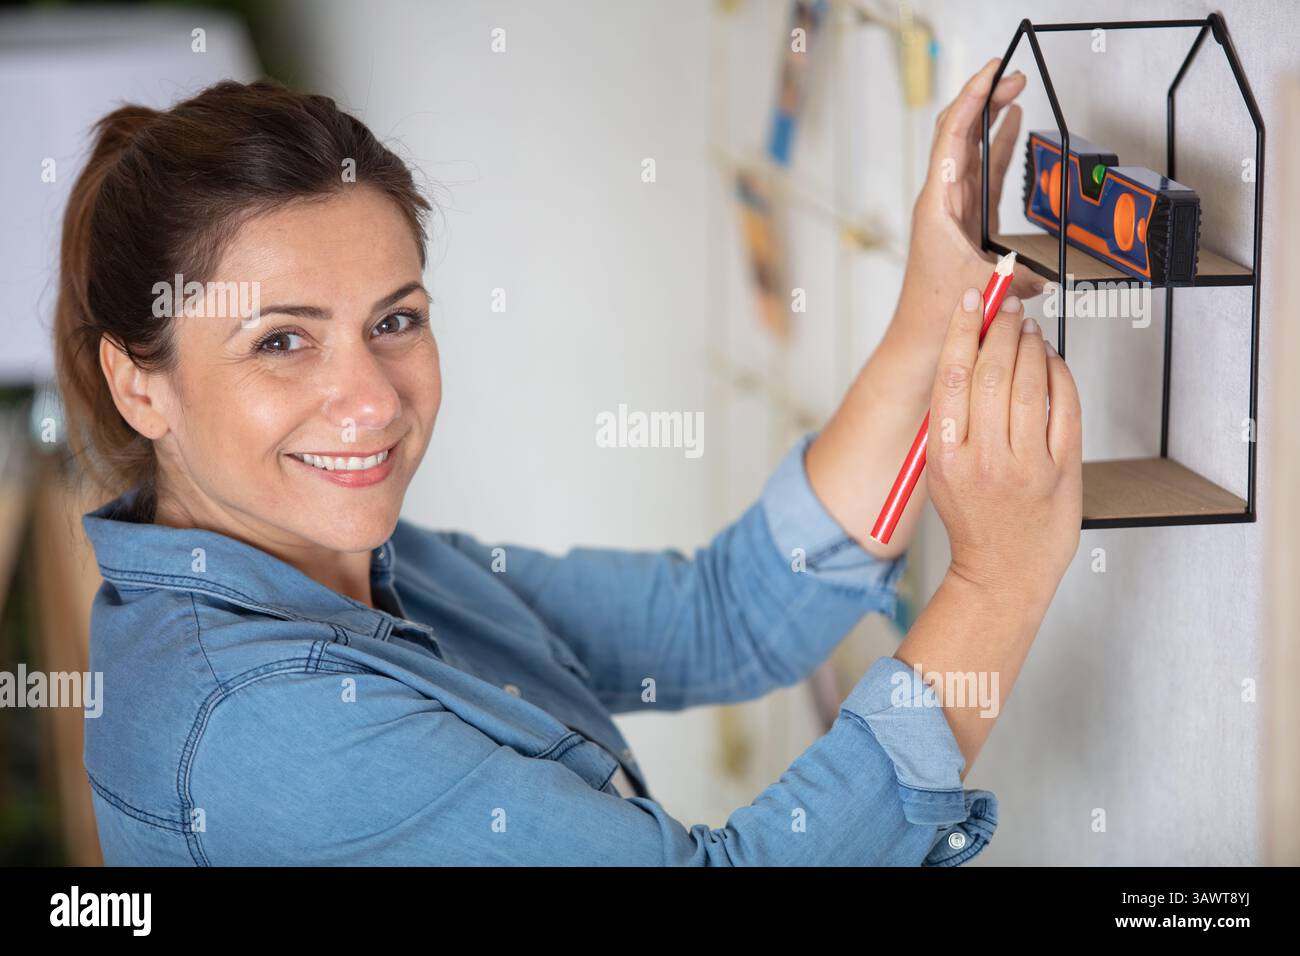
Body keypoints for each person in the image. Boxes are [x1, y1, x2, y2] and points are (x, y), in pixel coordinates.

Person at [58, 59, 1080, 866]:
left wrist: (927, 312)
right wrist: (1000, 579)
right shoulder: (266, 725)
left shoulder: (353, 567)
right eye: (280, 340)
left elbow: (722, 615)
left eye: (395, 320)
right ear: (139, 383)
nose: (370, 399)